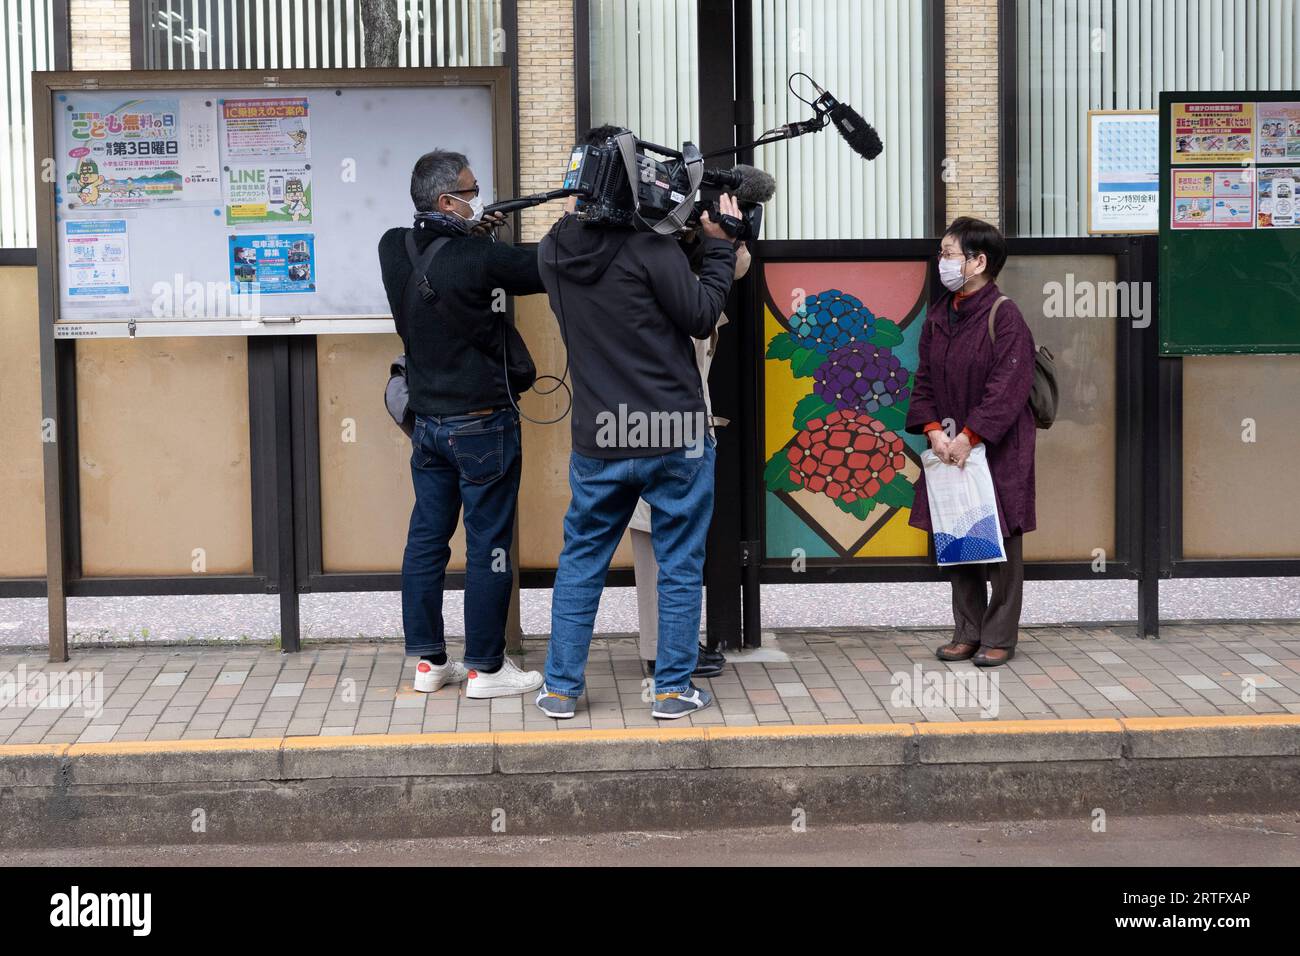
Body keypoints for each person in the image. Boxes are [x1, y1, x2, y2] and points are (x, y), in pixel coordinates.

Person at [534, 125, 740, 719]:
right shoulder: (651, 250)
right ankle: (673, 689)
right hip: (672, 430)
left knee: (582, 561)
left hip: (601, 432)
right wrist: (719, 246)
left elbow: (585, 240)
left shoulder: (552, 252)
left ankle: (561, 688)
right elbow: (702, 315)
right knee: (678, 561)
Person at [378, 150, 545, 698]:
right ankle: (487, 670)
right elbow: (540, 269)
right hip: (482, 426)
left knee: (427, 541)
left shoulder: (392, 247)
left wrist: (474, 232)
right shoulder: (478, 257)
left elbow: (442, 264)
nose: (478, 200)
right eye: (471, 193)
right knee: (489, 544)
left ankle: (428, 664)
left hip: (426, 425)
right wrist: (481, 240)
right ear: (448, 200)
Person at [905, 217, 1036, 668]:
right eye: (942, 253)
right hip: (949, 447)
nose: (941, 261)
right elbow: (922, 380)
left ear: (979, 261)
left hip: (996, 448)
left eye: (949, 253)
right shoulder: (940, 314)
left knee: (1000, 538)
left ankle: (999, 635)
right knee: (958, 534)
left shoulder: (1005, 314)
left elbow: (1008, 386)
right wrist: (935, 433)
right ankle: (968, 631)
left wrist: (970, 434)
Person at [628, 236, 751, 680]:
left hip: (642, 430)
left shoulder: (664, 286)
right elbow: (733, 269)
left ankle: (666, 646)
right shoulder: (677, 298)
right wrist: (722, 233)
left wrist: (724, 233)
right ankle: (662, 652)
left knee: (663, 547)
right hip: (659, 433)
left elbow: (737, 265)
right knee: (663, 547)